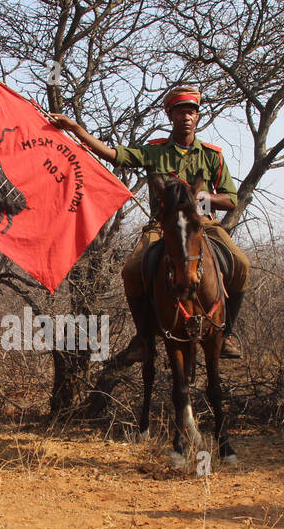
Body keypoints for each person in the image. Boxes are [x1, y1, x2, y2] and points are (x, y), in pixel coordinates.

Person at [50, 85, 248, 360]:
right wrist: (75, 129)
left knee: (241, 264)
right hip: (162, 225)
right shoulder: (155, 151)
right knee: (131, 270)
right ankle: (143, 338)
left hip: (200, 224)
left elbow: (231, 200)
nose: (187, 117)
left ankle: (226, 335)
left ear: (198, 117)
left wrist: (202, 197)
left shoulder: (212, 155)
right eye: (180, 112)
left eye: (191, 112)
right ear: (170, 116)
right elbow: (112, 155)